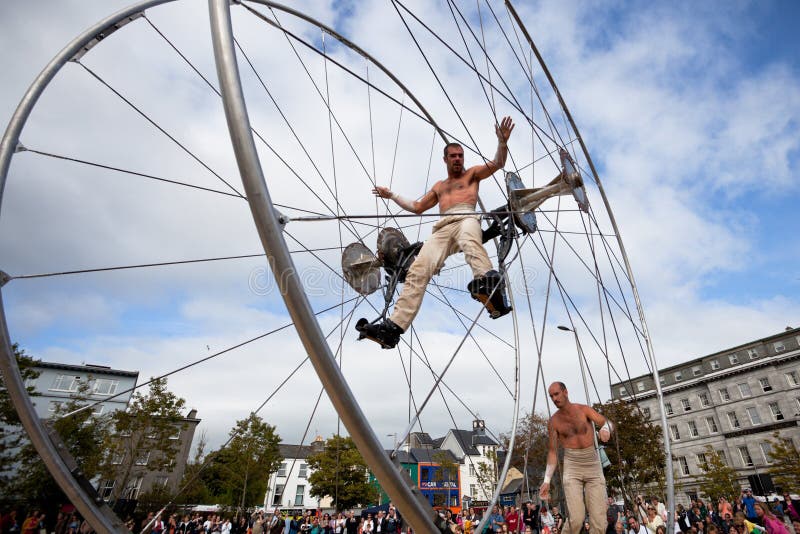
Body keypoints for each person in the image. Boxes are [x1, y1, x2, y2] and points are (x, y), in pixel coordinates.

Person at [356, 117, 515, 348]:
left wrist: (502, 142)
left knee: (471, 239)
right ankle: (393, 327)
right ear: (446, 159)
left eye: (461, 155)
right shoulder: (440, 186)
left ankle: (486, 281)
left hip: (466, 216)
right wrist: (391, 195)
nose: (458, 159)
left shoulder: (472, 175)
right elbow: (417, 207)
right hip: (442, 227)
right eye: (454, 156)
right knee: (418, 269)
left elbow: (497, 163)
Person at [539, 382, 613, 534]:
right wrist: (546, 480)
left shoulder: (583, 410)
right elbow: (553, 452)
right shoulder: (554, 422)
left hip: (592, 462)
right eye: (551, 396)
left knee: (599, 521)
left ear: (565, 392)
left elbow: (608, 423)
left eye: (556, 394)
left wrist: (605, 429)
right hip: (572, 464)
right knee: (576, 519)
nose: (554, 398)